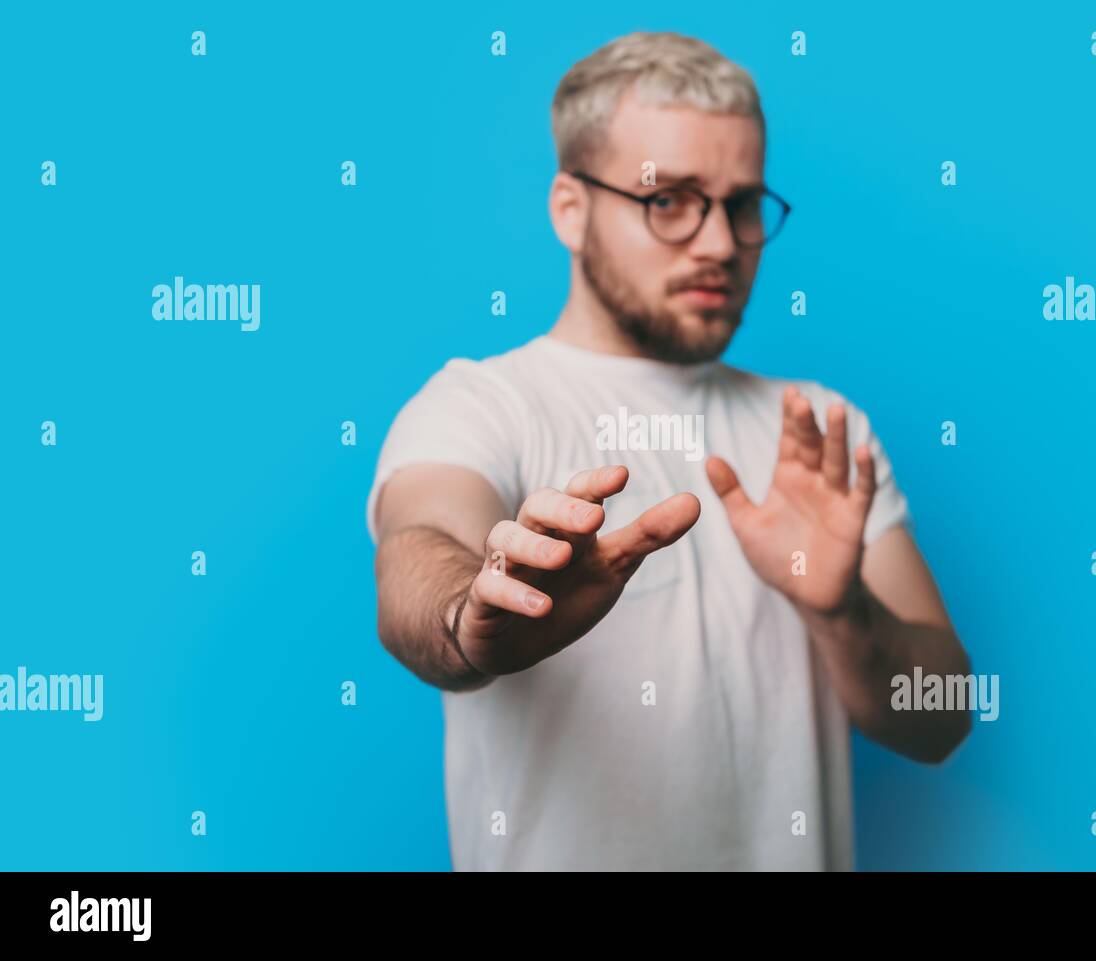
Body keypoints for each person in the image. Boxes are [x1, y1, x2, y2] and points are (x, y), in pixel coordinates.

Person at [367, 31, 971, 871]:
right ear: (570, 208)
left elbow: (945, 716)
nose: (720, 243)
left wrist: (841, 612)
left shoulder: (820, 426)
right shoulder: (480, 403)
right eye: (670, 199)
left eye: (743, 203)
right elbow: (416, 549)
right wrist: (471, 619)